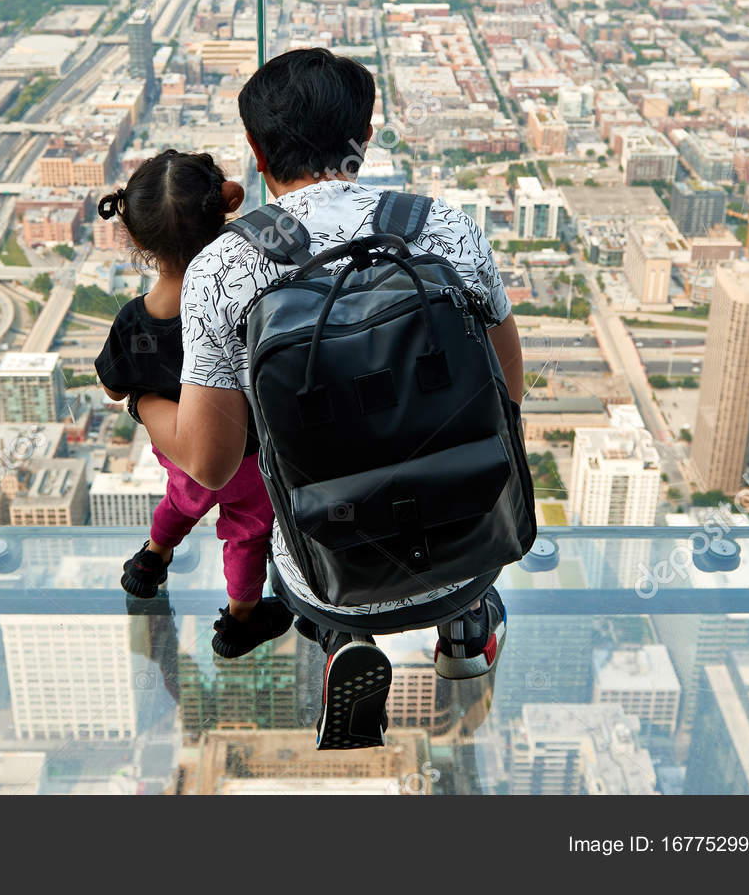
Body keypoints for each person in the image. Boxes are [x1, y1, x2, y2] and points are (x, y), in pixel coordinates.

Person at [135, 47, 528, 749]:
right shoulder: (445, 228)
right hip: (470, 536)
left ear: (256, 153)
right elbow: (509, 394)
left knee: (305, 539)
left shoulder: (225, 268)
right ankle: (466, 619)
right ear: (365, 137)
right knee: (459, 507)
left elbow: (213, 466)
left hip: (329, 569)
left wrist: (143, 407)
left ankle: (338, 636)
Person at [94, 149, 293, 659]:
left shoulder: (134, 323)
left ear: (136, 238)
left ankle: (151, 560)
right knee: (247, 535)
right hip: (248, 458)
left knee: (181, 500)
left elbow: (116, 389)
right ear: (226, 206)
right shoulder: (251, 300)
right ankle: (239, 621)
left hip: (179, 448)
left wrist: (147, 399)